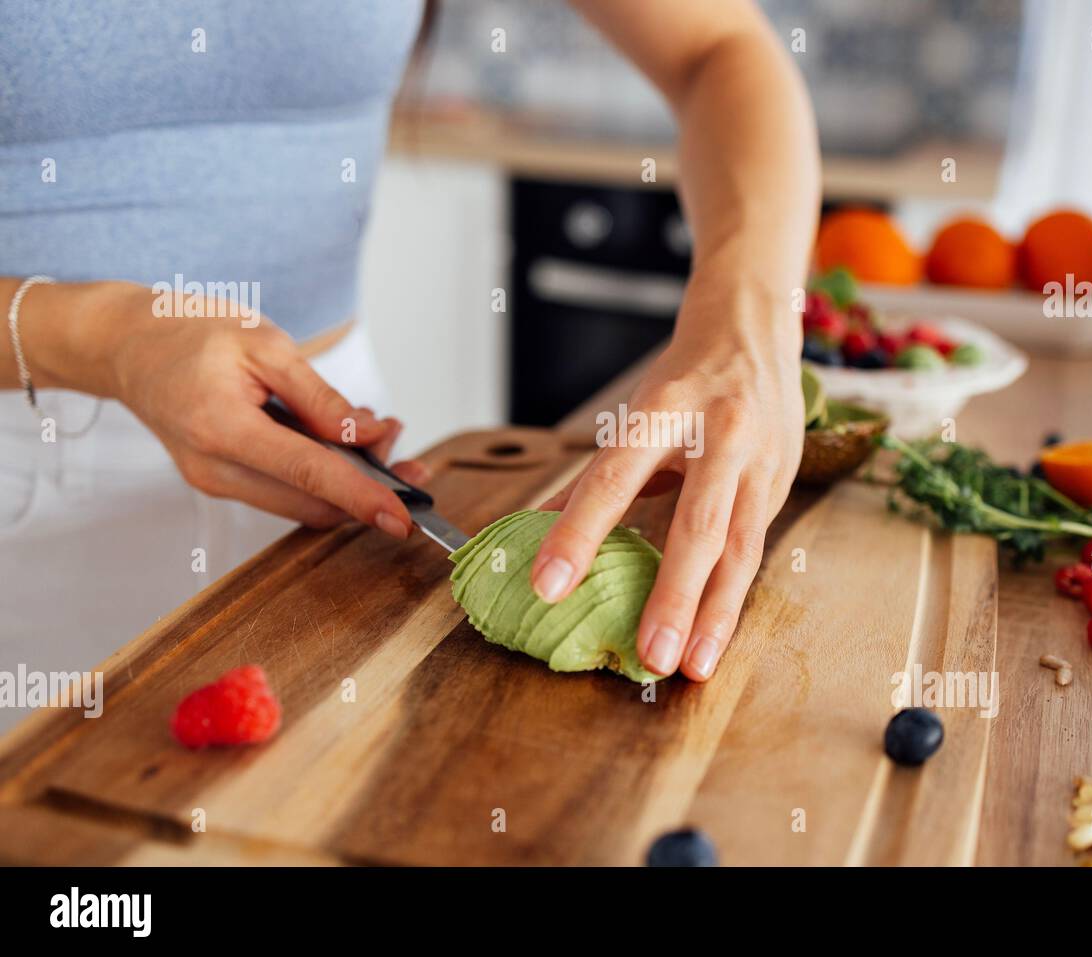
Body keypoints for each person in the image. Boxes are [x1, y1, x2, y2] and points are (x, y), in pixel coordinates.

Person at [0, 0, 819, 712]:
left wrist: (751, 312)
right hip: (31, 474)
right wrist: (98, 333)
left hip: (339, 466)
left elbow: (720, 50)